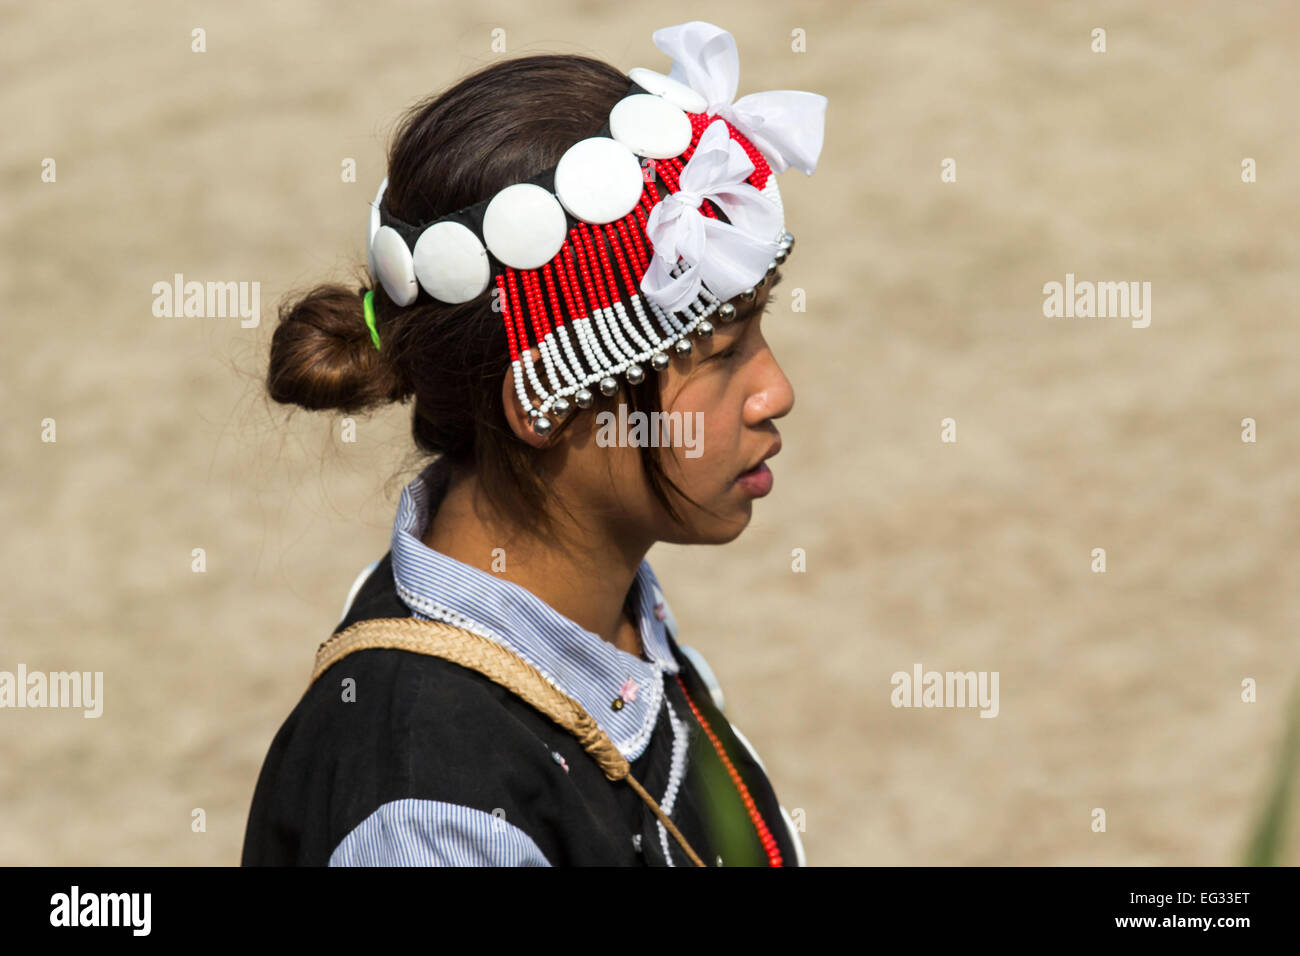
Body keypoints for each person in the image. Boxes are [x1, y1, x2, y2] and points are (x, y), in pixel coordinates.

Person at [241, 19, 826, 866]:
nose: (776, 391)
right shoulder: (429, 815)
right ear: (548, 398)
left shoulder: (609, 622)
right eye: (721, 351)